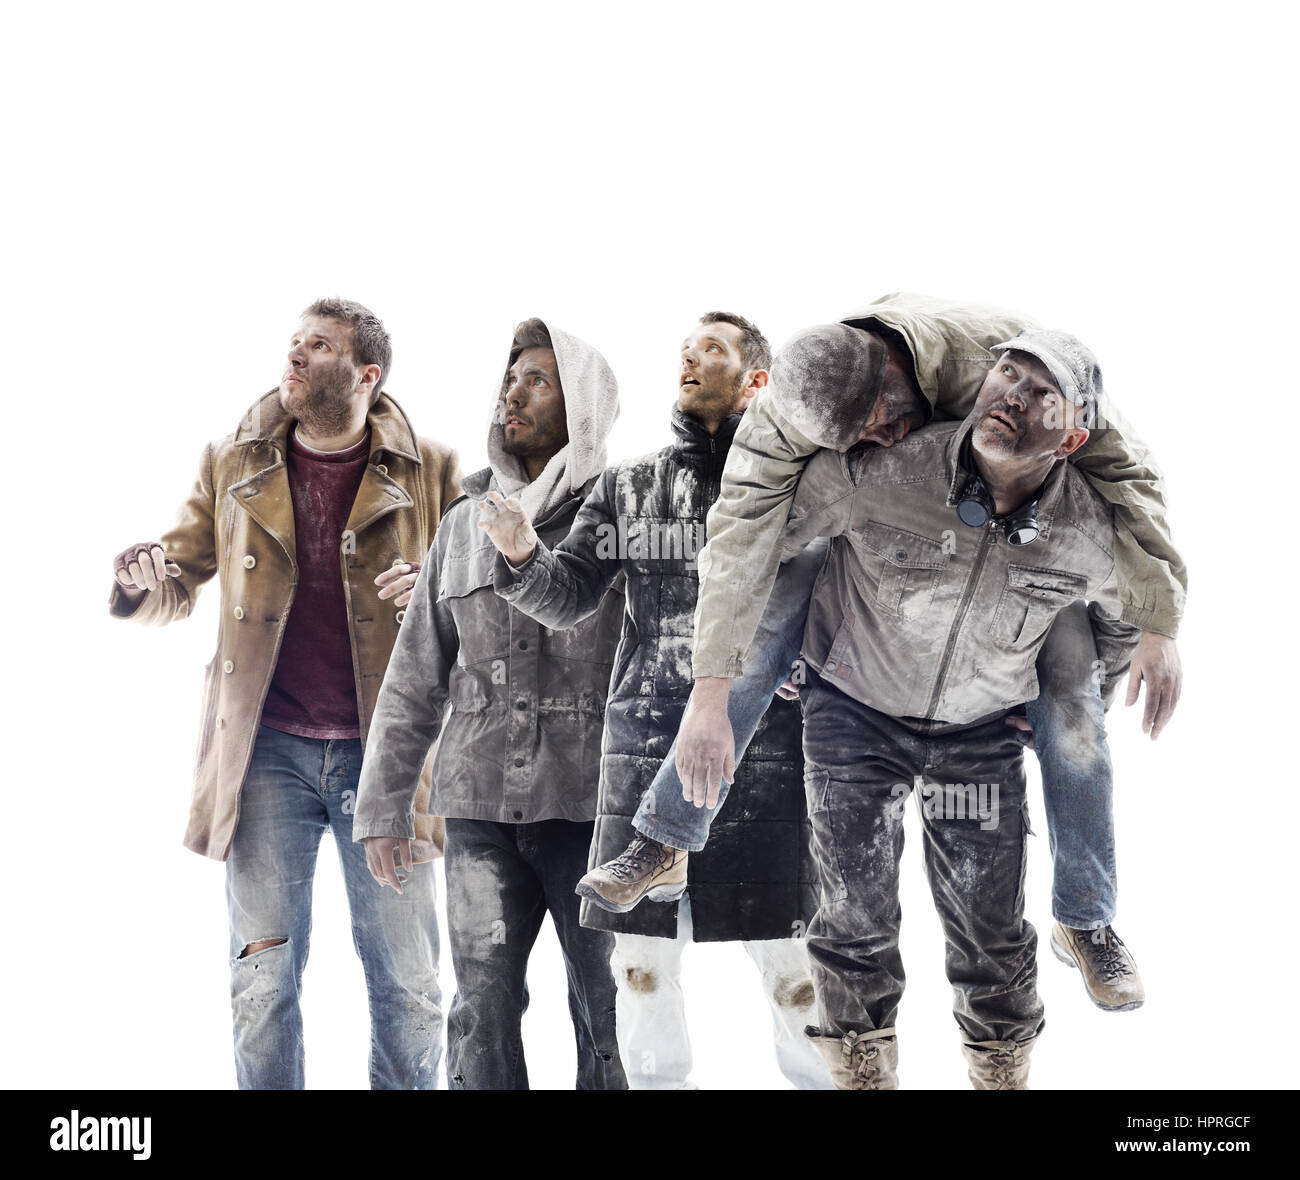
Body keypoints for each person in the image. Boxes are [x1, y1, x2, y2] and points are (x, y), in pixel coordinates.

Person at [587, 293, 1185, 1013]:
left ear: (904, 382)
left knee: (1076, 706)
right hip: (882, 563)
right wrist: (720, 686)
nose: (879, 441)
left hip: (1026, 574)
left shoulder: (1005, 370)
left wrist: (1156, 629)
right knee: (776, 596)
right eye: (857, 441)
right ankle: (666, 835)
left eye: (884, 425)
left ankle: (1086, 918)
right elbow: (745, 541)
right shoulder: (824, 439)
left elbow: (1135, 489)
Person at [109, 298, 457, 1089]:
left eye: (320, 345)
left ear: (366, 375)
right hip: (265, 757)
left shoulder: (433, 469)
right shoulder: (234, 460)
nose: (295, 354)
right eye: (294, 341)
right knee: (261, 982)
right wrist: (143, 583)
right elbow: (180, 576)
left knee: (409, 989)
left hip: (390, 762)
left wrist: (433, 596)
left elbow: (476, 604)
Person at [481, 313, 832, 1089]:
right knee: (640, 967)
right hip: (646, 752)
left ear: (757, 380)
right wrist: (521, 553)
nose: (691, 358)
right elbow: (570, 595)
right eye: (685, 349)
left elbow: (849, 609)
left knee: (797, 967)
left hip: (769, 756)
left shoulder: (807, 485)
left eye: (713, 349)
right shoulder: (630, 488)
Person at [787, 327, 1135, 1087]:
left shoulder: (1086, 531)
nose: (1013, 393)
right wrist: (779, 646)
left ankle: (1000, 1062)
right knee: (853, 902)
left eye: (1040, 391)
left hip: (978, 734)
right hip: (854, 712)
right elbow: (769, 539)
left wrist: (1067, 700)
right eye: (1007, 372)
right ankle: (859, 1059)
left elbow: (1122, 615)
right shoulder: (885, 474)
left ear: (1072, 435)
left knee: (986, 917)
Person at [353, 318, 628, 1090]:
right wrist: (384, 808)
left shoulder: (622, 520)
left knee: (609, 1012)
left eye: (538, 378)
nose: (514, 389)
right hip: (478, 809)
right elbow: (415, 676)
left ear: (584, 407)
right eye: (511, 376)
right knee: (480, 1011)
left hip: (595, 810)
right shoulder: (461, 529)